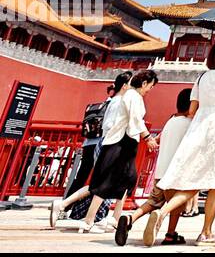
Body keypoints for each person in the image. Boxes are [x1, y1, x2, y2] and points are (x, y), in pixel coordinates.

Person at [148, 39, 215, 245]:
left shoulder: (201, 77)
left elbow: (191, 110)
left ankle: (163, 212)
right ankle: (206, 233)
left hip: (199, 126)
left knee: (194, 178)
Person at [68, 70, 158, 235]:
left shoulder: (130, 96)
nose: (149, 90)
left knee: (128, 179)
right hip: (122, 142)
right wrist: (148, 137)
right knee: (107, 181)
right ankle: (88, 220)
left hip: (126, 142)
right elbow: (136, 119)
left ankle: (115, 219)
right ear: (145, 83)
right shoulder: (133, 96)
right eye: (150, 87)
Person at [50, 73, 131, 229]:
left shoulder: (111, 102)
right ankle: (72, 209)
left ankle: (89, 214)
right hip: (108, 145)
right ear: (124, 86)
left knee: (106, 182)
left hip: (95, 144)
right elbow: (109, 126)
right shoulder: (118, 103)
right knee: (102, 184)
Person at [116, 87, 192, 247]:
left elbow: (157, 141)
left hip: (160, 172)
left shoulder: (170, 122)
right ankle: (171, 234)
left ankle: (130, 218)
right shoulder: (189, 124)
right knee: (176, 205)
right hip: (176, 173)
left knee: (152, 202)